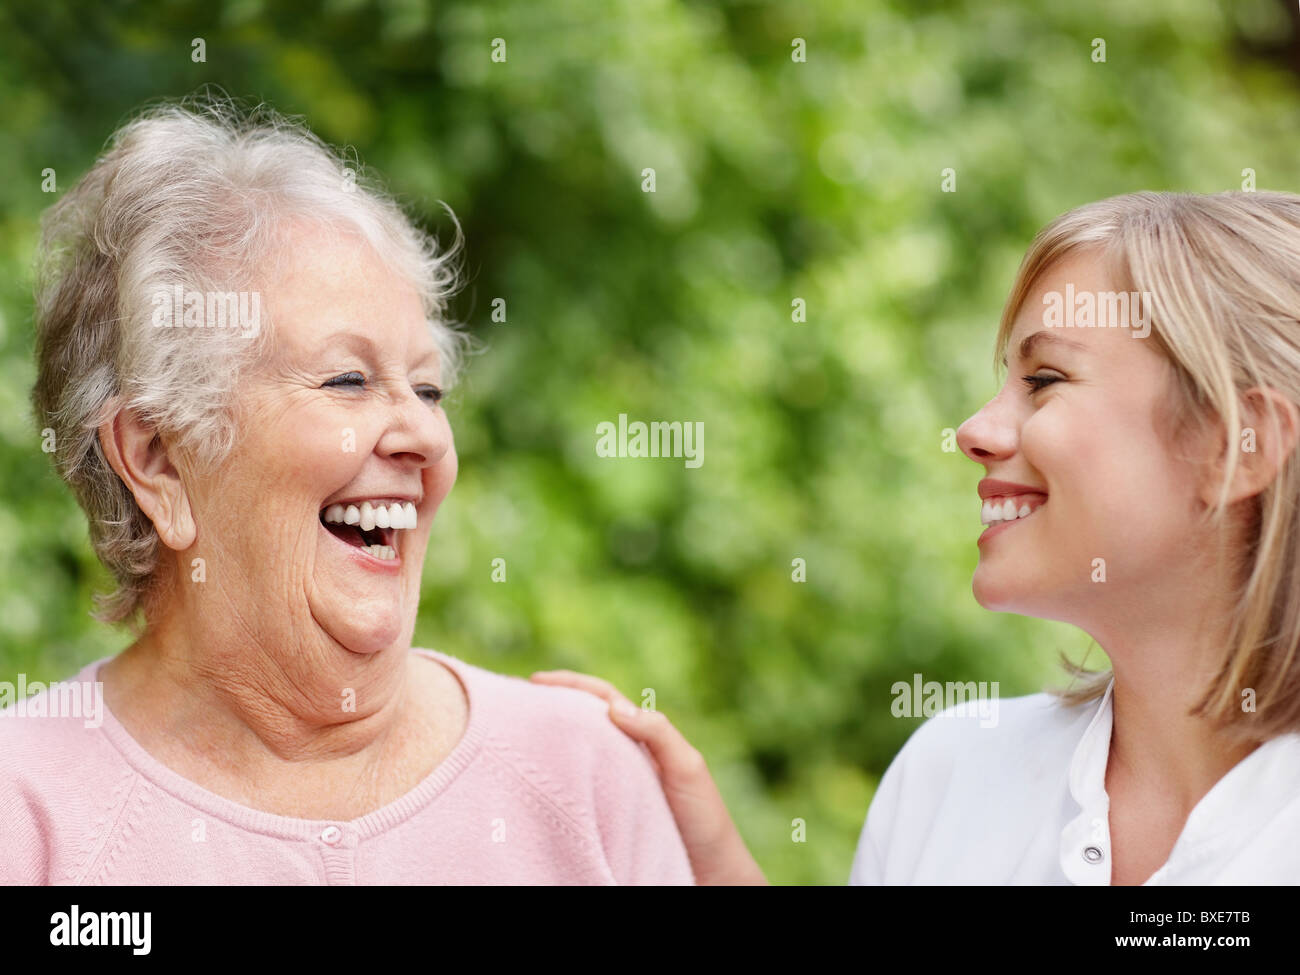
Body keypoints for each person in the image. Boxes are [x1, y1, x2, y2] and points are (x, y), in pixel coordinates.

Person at [0, 97, 693, 885]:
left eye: (428, 390)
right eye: (349, 379)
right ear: (158, 457)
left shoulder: (585, 774)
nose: (424, 436)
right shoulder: (24, 817)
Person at [535, 191, 1300, 885]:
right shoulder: (952, 771)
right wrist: (706, 861)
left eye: (1045, 380)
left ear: (1239, 445)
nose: (973, 430)